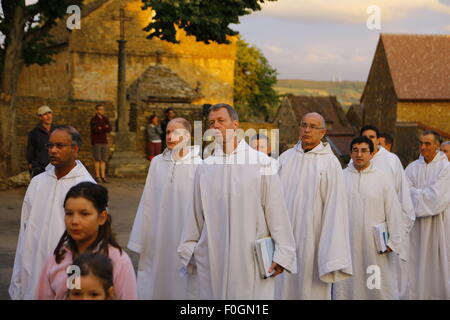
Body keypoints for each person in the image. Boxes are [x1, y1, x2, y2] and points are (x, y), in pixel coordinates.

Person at [178, 103, 297, 299]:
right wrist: (189, 246)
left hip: (250, 256)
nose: (215, 126)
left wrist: (283, 253)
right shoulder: (205, 168)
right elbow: (195, 213)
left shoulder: (261, 163)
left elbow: (276, 211)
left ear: (235, 125)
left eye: (221, 121)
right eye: (212, 122)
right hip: (214, 254)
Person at [9, 126, 95, 300]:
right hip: (33, 270)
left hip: (66, 275)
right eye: (50, 146)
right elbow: (24, 234)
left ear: (75, 149)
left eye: (60, 146)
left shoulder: (87, 188)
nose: (53, 150)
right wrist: (19, 279)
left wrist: (75, 287)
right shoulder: (37, 183)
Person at [275, 112, 352, 300]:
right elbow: (272, 200)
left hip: (314, 240)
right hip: (283, 239)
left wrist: (329, 251)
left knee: (309, 290)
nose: (307, 130)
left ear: (323, 133)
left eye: (313, 126)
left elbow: (335, 209)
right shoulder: (285, 159)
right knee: (282, 289)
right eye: (304, 125)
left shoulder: (330, 164)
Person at [128, 117, 202, 299]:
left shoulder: (199, 166)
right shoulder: (157, 163)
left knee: (183, 284)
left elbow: (202, 208)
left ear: (187, 136)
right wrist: (141, 237)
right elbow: (148, 200)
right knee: (155, 277)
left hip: (185, 235)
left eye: (175, 132)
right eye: (167, 132)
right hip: (158, 234)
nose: (169, 136)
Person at [36, 182, 137, 300]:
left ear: (102, 217)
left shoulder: (118, 261)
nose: (74, 221)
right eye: (69, 213)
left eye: (84, 214)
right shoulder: (57, 258)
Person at [333, 136, 402, 300]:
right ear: (350, 153)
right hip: (347, 244)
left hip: (375, 246)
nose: (359, 154)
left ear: (372, 154)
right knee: (347, 287)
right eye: (355, 150)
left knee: (377, 286)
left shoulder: (383, 179)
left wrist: (394, 241)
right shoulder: (340, 178)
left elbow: (393, 211)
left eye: (364, 151)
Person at [359, 125, 414, 299]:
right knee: (359, 283)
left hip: (384, 236)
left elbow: (403, 198)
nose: (369, 139)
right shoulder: (354, 163)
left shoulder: (391, 161)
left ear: (377, 139)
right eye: (365, 136)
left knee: (383, 283)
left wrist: (397, 236)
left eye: (372, 137)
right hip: (358, 237)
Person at [405, 130, 450, 299]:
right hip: (415, 228)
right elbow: (403, 194)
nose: (423, 147)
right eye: (421, 143)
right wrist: (423, 194)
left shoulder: (446, 168)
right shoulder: (411, 168)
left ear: (437, 146)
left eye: (427, 144)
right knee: (415, 264)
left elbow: (437, 199)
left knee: (436, 267)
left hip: (438, 225)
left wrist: (415, 193)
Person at [26, 105, 55, 177]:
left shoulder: (58, 131)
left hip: (55, 165)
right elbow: (30, 149)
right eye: (45, 114)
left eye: (49, 113)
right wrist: (32, 164)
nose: (48, 116)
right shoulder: (34, 133)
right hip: (40, 168)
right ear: (40, 117)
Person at [90, 104, 112, 183]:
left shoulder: (105, 119)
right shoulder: (94, 119)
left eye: (103, 109)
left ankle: (103, 176)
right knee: (97, 159)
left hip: (104, 141)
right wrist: (104, 127)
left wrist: (101, 127)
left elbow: (109, 128)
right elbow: (96, 129)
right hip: (96, 141)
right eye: (100, 109)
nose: (102, 111)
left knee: (103, 159)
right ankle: (97, 176)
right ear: (96, 110)